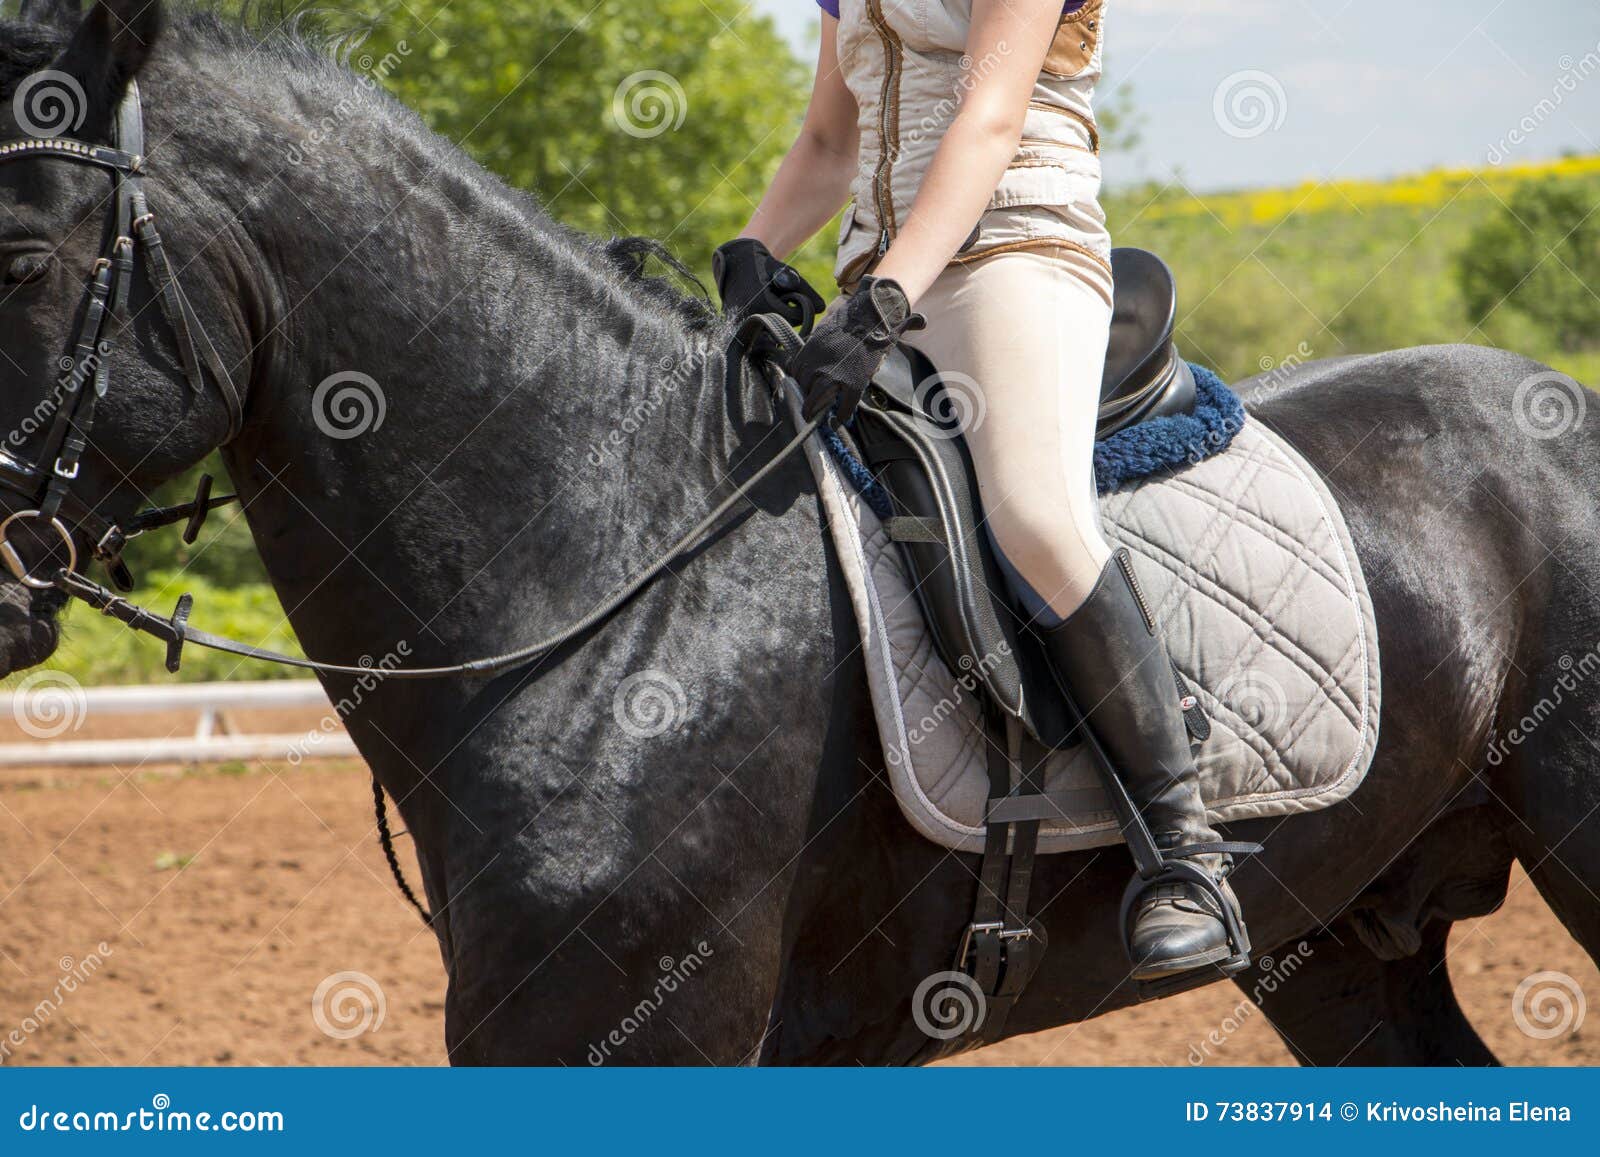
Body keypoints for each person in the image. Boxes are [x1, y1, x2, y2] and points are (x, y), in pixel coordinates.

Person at [711, 0, 1247, 983]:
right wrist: (752, 251)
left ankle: (1185, 852)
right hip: (878, 281)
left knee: (1032, 511)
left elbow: (988, 117)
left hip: (1015, 254)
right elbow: (830, 140)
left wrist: (886, 298)